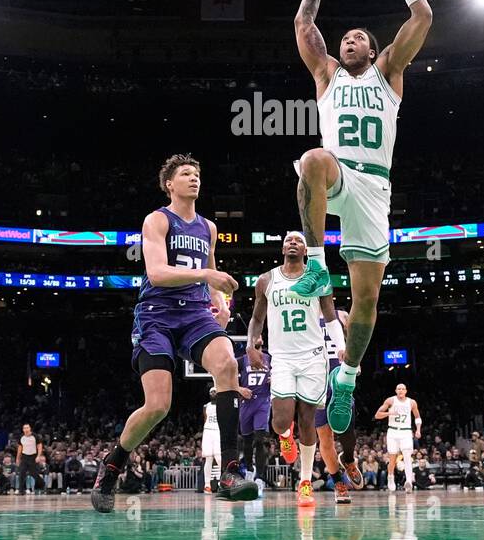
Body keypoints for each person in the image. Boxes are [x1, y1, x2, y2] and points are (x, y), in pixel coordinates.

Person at [289, 0, 434, 434]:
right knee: (312, 157)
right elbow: (304, 25)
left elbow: (423, 20)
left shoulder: (389, 72)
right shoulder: (327, 76)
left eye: (357, 38)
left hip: (374, 189)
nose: (348, 41)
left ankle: (347, 378)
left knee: (367, 301)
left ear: (373, 49)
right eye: (344, 37)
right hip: (338, 171)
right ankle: (314, 266)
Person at [91, 154, 256, 513]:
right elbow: (157, 273)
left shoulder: (208, 228)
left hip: (196, 314)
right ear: (170, 184)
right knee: (158, 406)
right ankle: (114, 463)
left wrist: (221, 301)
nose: (194, 178)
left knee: (227, 363)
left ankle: (230, 471)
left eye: (197, 173)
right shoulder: (157, 220)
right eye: (185, 174)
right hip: (157, 316)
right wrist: (207, 279)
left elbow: (210, 271)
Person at [247, 231, 339, 508]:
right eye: (288, 240)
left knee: (309, 420)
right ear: (282, 248)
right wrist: (252, 344)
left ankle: (305, 482)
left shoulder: (317, 278)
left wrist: (341, 345)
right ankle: (286, 437)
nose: (293, 243)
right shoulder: (266, 280)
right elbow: (256, 319)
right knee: (281, 420)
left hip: (313, 357)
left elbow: (331, 316)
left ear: (305, 250)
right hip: (283, 357)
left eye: (298, 240)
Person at [315, 309, 362, 503]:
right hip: (315, 379)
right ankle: (338, 484)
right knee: (325, 438)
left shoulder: (340, 315)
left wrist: (355, 361)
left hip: (338, 376)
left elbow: (356, 339)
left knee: (347, 428)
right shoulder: (302, 314)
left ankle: (348, 458)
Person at [236, 337, 272, 484]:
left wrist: (276, 379)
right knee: (247, 441)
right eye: (255, 335)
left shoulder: (270, 359)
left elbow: (285, 374)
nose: (259, 338)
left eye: (260, 335)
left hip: (263, 401)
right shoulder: (241, 360)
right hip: (246, 402)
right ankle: (250, 470)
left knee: (260, 440)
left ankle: (260, 477)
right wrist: (239, 388)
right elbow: (225, 376)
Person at [375, 384, 422, 493]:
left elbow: (417, 417)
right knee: (392, 459)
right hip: (393, 431)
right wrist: (389, 412)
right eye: (399, 389)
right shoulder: (390, 401)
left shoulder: (411, 402)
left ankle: (409, 482)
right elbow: (377, 415)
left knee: (407, 456)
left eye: (403, 389)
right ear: (396, 390)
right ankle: (390, 477)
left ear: (406, 391)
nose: (401, 390)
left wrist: (418, 429)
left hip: (406, 431)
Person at [200, 389, 222, 493]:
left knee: (218, 457)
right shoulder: (205, 406)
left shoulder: (222, 405)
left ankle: (222, 482)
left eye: (215, 392)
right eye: (211, 392)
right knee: (208, 458)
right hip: (208, 431)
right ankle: (207, 485)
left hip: (218, 431)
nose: (213, 394)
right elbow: (205, 419)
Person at [16, 423, 42, 495]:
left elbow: (39, 446)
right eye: (24, 428)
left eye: (27, 428)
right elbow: (20, 448)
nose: (26, 429)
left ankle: (42, 485)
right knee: (21, 473)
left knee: (34, 474)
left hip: (33, 457)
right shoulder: (21, 437)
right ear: (23, 429)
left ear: (30, 428)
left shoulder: (35, 436)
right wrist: (17, 458)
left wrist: (38, 456)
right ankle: (21, 490)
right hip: (24, 457)